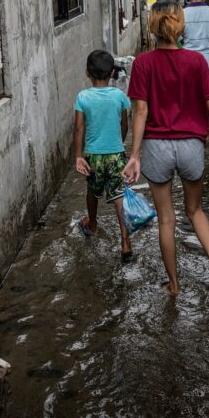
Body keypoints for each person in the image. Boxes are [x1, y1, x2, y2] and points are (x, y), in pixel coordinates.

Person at [123, 0, 209, 296]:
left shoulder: (143, 63)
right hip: (192, 146)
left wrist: (134, 155)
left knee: (166, 220)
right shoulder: (196, 62)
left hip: (156, 147)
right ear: (180, 26)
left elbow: (140, 112)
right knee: (195, 210)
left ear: (153, 27)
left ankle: (174, 285)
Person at [74, 50, 134, 263]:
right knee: (119, 196)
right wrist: (120, 143)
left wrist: (78, 156)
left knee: (92, 191)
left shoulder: (83, 97)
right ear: (112, 74)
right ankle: (125, 240)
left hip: (94, 156)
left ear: (87, 73)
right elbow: (125, 125)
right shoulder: (120, 96)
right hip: (116, 154)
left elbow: (79, 128)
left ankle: (92, 223)